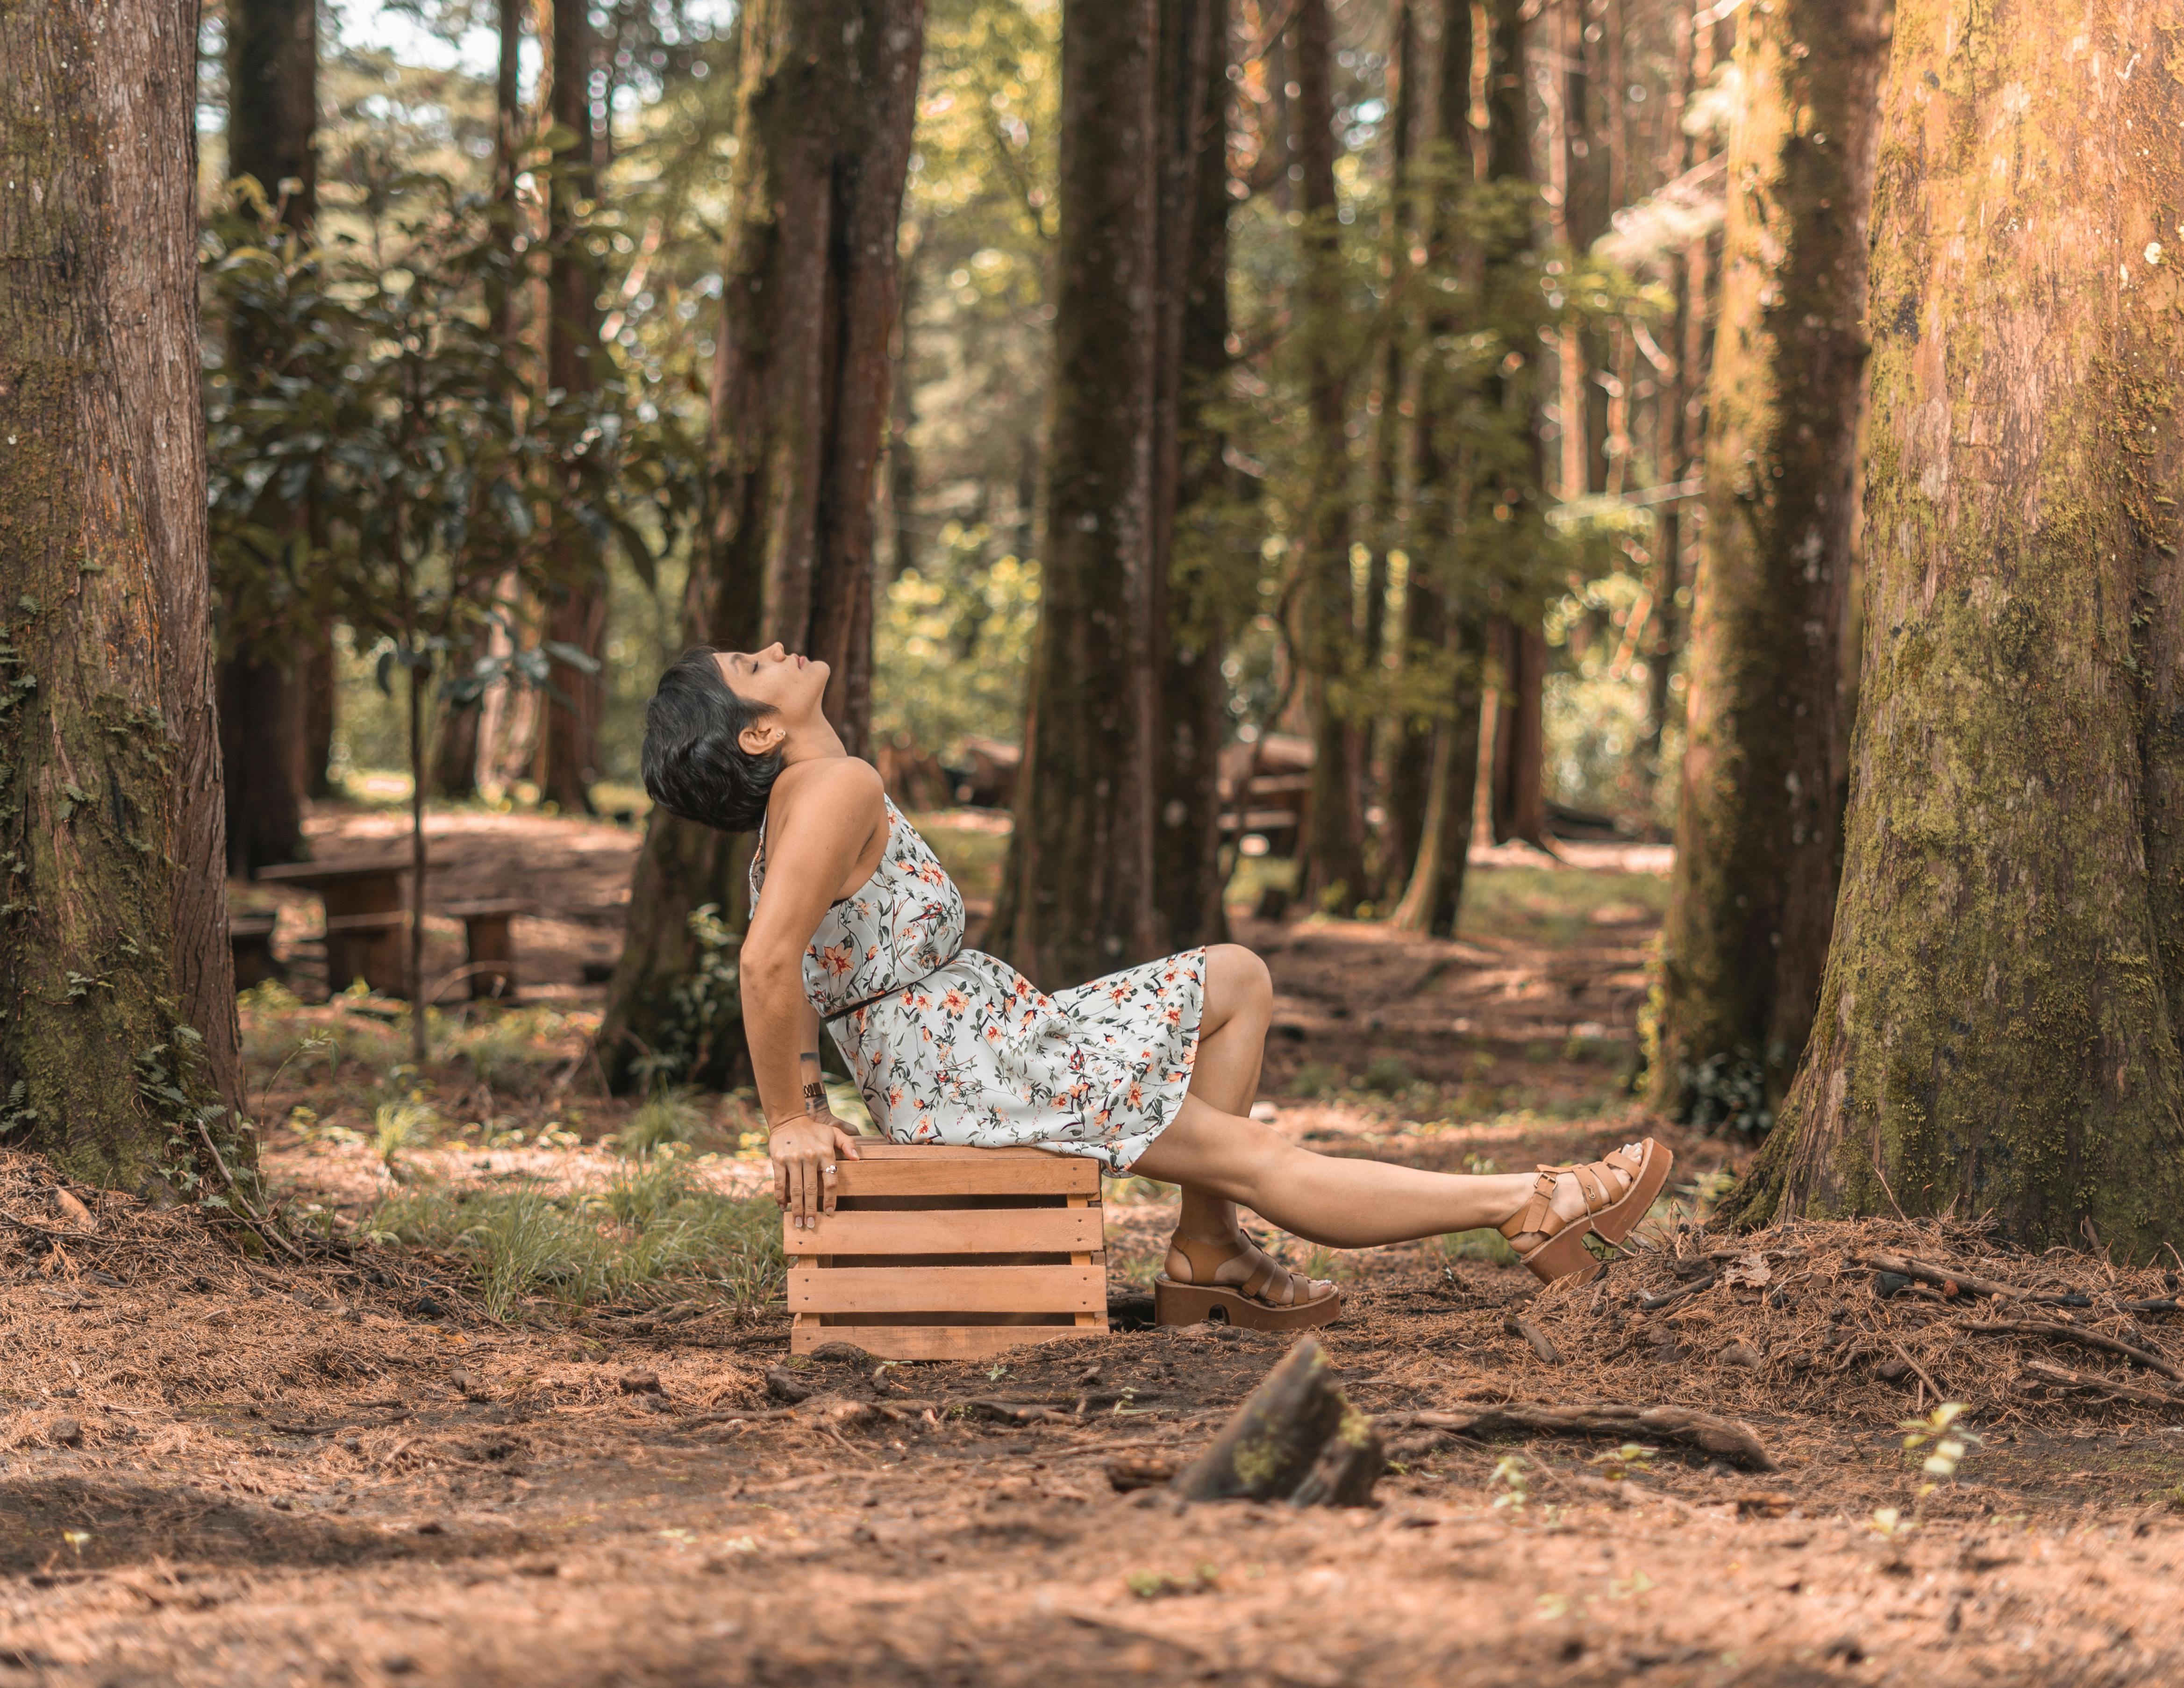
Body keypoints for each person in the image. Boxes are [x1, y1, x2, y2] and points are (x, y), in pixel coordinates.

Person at [640, 643, 1671, 1329]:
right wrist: (792, 1118)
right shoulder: (834, 785)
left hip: (986, 1044)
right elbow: (766, 960)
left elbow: (794, 957)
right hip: (977, 1073)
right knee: (1253, 1152)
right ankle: (1529, 1206)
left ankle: (1207, 1249)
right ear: (758, 732)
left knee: (1233, 976)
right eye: (750, 663)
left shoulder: (824, 790)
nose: (775, 650)